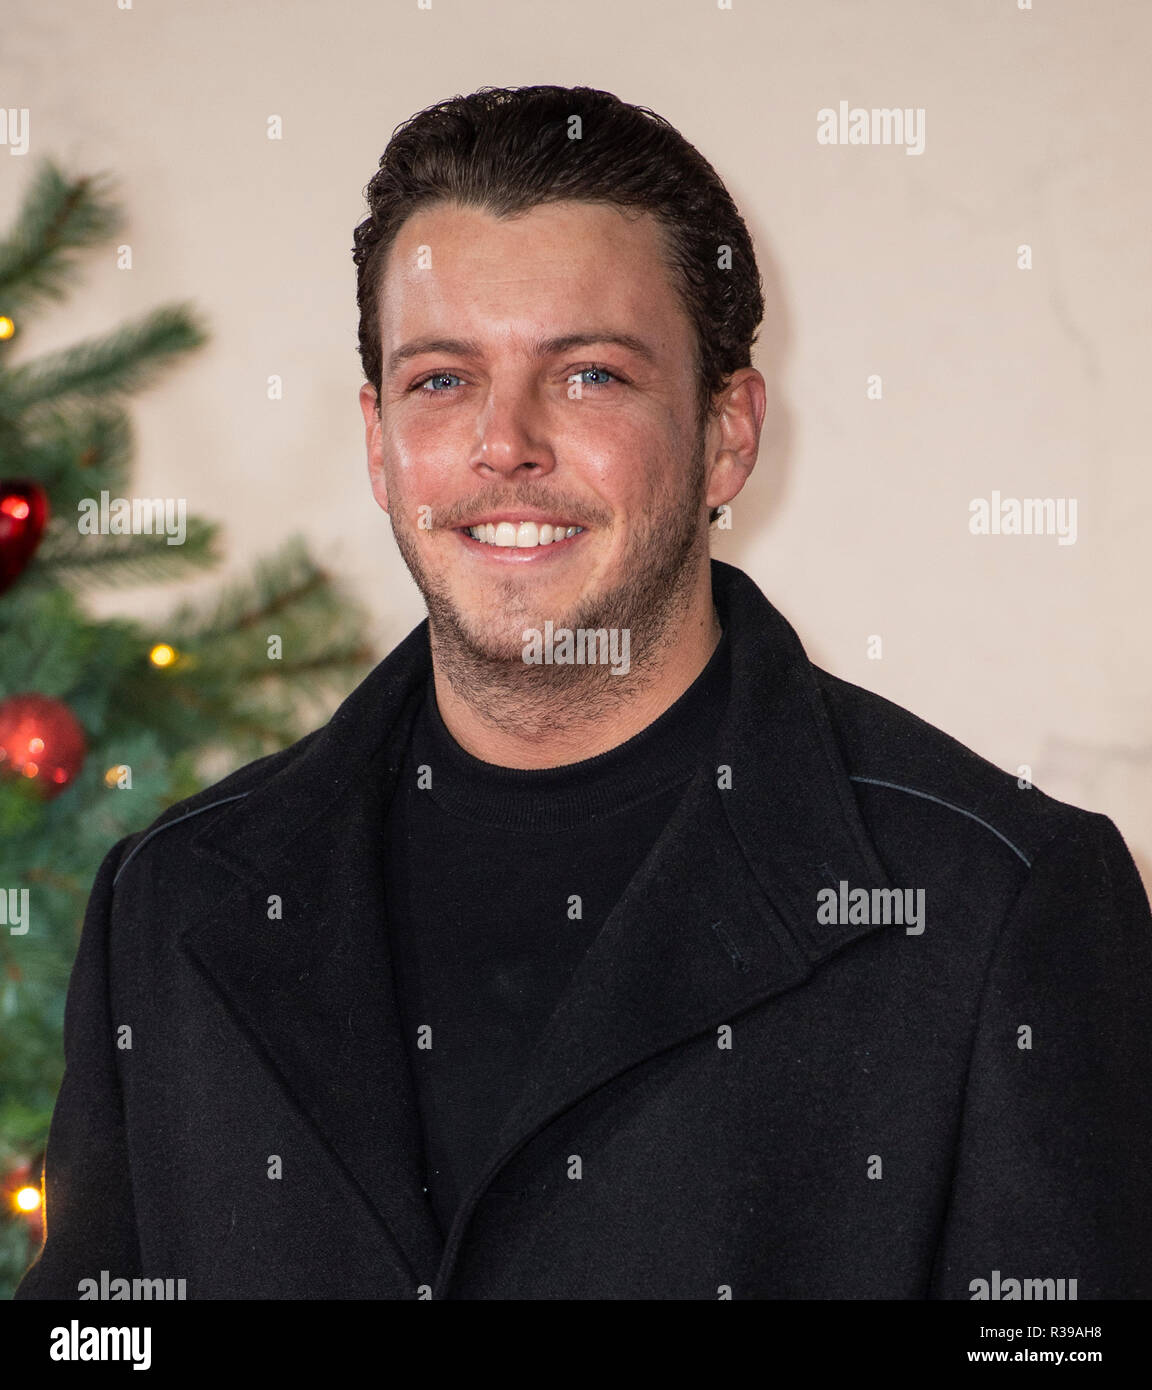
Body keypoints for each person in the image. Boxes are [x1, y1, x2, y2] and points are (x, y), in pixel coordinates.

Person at [16, 84, 1152, 1301]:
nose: (505, 442)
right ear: (378, 439)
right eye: (442, 380)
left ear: (727, 431)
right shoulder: (171, 901)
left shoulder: (999, 908)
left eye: (591, 374)